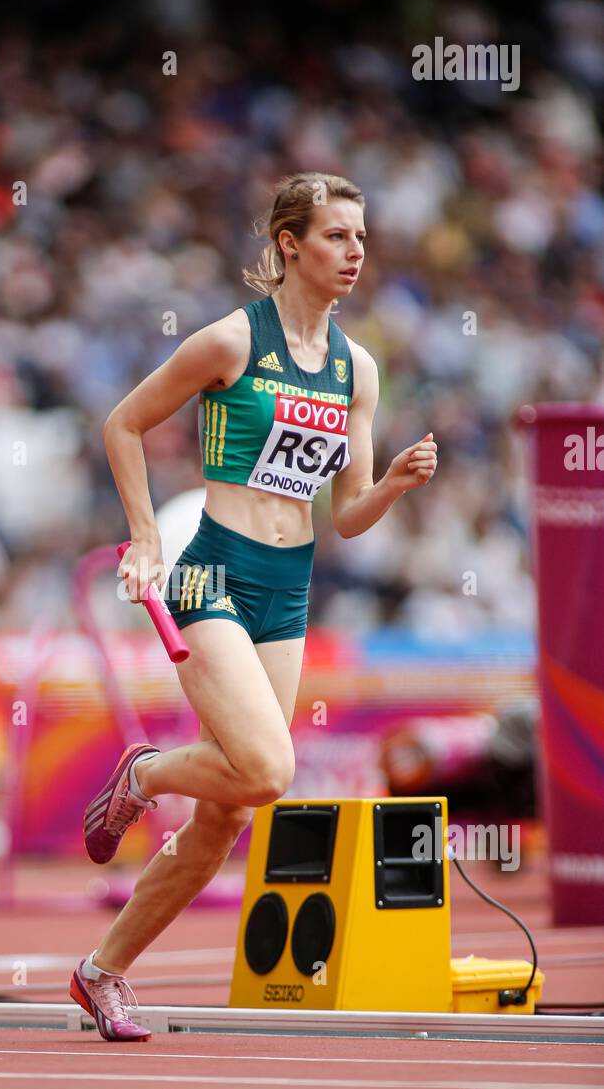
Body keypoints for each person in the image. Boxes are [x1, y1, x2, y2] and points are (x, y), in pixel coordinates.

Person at [71, 172, 438, 1040]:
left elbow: (344, 517)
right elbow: (123, 423)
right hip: (213, 572)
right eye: (337, 237)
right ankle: (145, 772)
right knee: (269, 773)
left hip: (290, 584)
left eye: (361, 238)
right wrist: (147, 541)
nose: (355, 254)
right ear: (289, 245)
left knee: (232, 810)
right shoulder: (232, 342)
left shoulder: (359, 369)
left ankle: (101, 972)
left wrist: (388, 485)